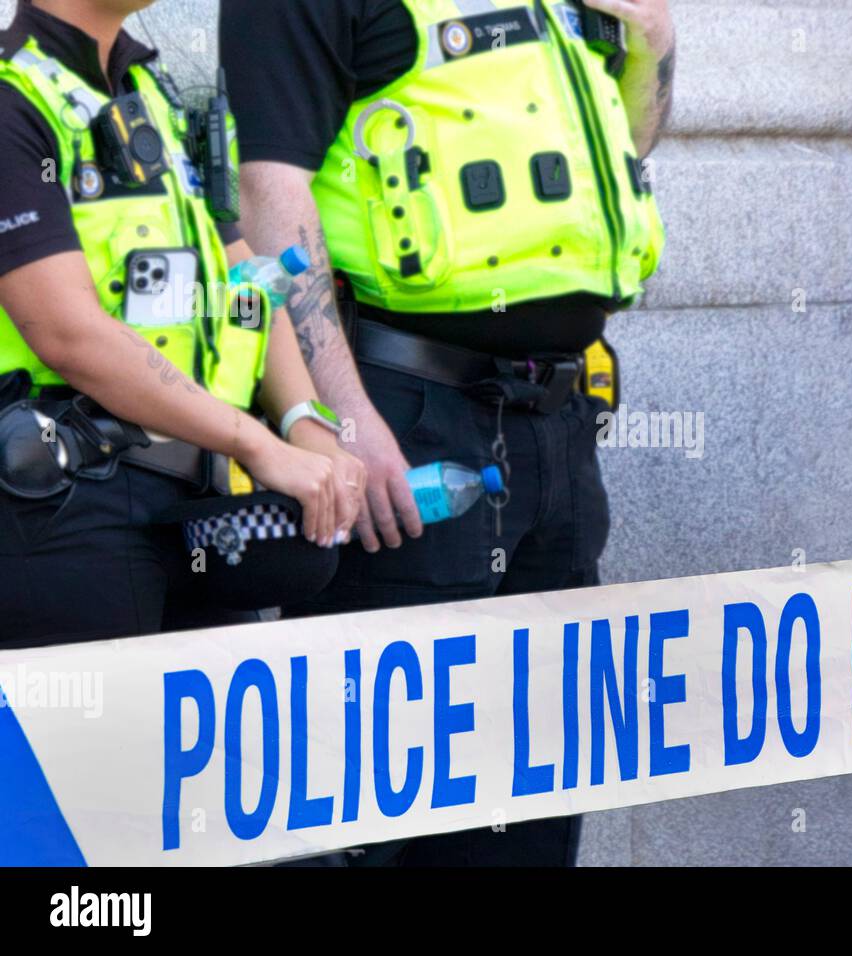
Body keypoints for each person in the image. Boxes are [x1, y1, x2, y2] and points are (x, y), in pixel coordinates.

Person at [221, 0, 675, 865]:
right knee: (382, 810)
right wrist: (343, 417)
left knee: (540, 784)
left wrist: (652, 44)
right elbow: (267, 193)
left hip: (557, 424)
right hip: (408, 412)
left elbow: (617, 155)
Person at [0, 0, 366, 647]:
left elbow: (247, 277)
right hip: (66, 508)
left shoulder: (151, 95)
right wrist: (257, 445)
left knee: (211, 747)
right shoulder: (13, 100)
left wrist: (303, 421)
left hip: (195, 501)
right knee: (92, 745)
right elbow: (68, 335)